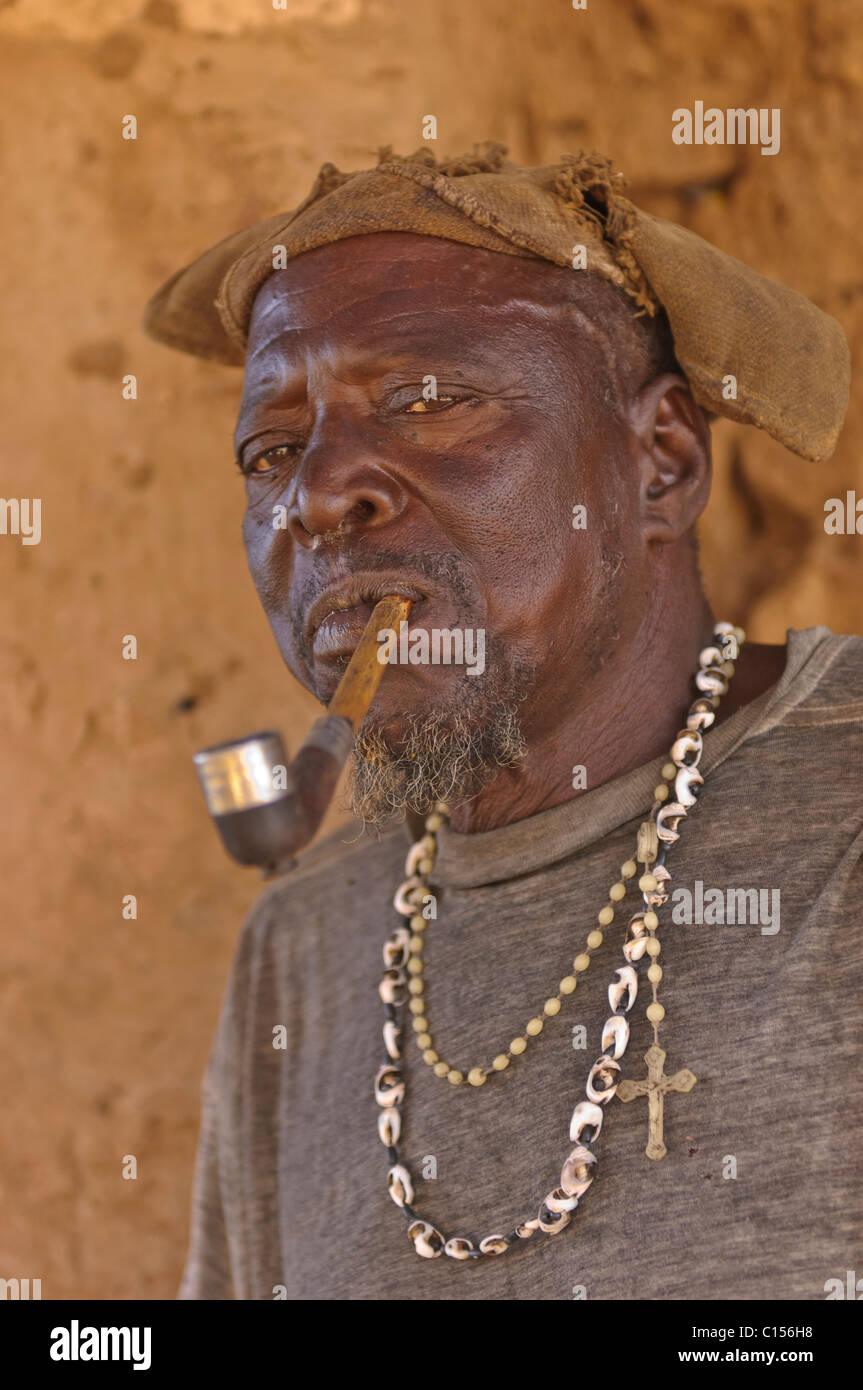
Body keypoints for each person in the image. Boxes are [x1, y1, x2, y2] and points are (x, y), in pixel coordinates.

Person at [144, 143, 861, 1299]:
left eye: (428, 399)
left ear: (659, 464)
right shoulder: (303, 946)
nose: (319, 493)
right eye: (270, 449)